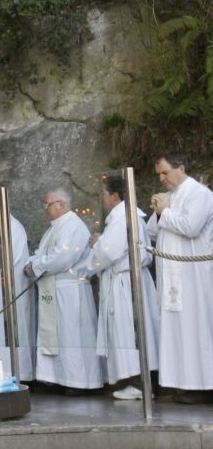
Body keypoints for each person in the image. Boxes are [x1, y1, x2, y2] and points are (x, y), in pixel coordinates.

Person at [146, 151, 213, 402]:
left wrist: (165, 212)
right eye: (158, 174)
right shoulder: (170, 196)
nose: (161, 178)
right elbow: (152, 231)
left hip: (194, 275)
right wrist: (158, 208)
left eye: (165, 172)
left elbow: (191, 227)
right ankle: (181, 384)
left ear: (181, 168)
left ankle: (204, 386)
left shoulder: (200, 194)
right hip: (174, 275)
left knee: (196, 327)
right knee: (176, 330)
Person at [87, 175, 159, 400]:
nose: (102, 197)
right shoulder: (127, 216)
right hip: (127, 278)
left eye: (103, 193)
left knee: (129, 331)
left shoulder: (121, 218)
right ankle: (135, 381)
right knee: (130, 330)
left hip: (124, 282)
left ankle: (137, 383)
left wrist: (95, 249)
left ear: (115, 195)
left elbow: (108, 252)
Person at [25, 189, 103, 393]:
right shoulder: (54, 228)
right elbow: (41, 253)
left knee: (72, 336)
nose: (45, 208)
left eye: (48, 204)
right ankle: (58, 378)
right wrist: (34, 262)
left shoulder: (73, 225)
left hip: (70, 291)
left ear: (61, 204)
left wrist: (35, 266)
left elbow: (63, 258)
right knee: (58, 336)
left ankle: (79, 381)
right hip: (54, 288)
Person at [0, 190, 36, 381]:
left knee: (8, 335)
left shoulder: (12, 226)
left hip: (7, 292)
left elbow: (5, 255)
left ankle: (16, 374)